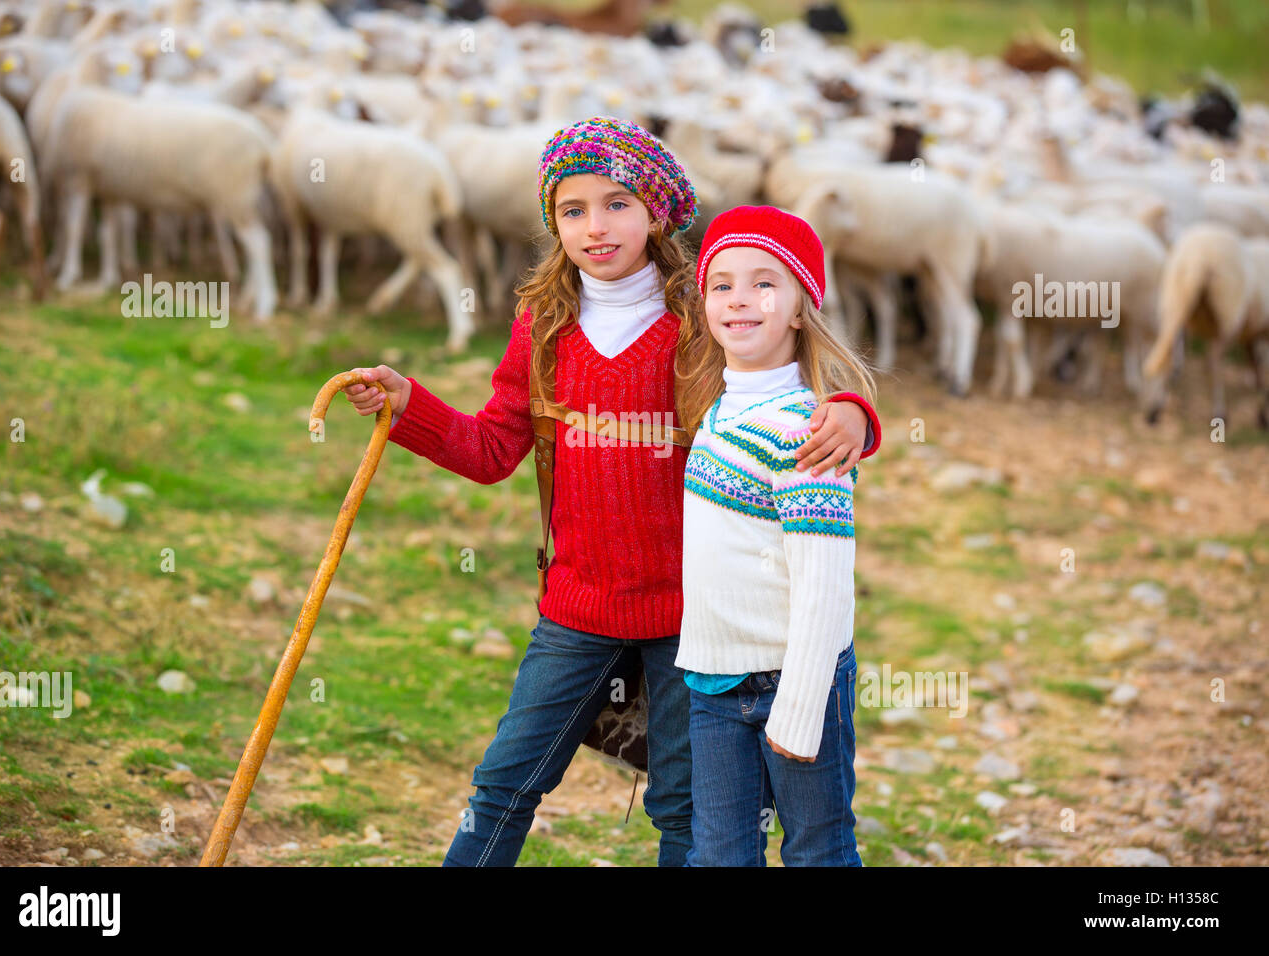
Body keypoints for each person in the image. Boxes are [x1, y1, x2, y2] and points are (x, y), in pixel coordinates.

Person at [341, 118, 881, 866]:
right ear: (552, 222)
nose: (596, 227)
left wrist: (855, 411)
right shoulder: (544, 325)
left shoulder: (701, 317)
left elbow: (789, 378)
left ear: (657, 212)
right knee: (505, 780)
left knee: (687, 809)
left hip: (689, 616)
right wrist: (411, 406)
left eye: (618, 203)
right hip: (579, 604)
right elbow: (495, 446)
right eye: (573, 210)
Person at [677, 205, 873, 866]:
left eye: (765, 283)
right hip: (712, 682)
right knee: (719, 856)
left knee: (818, 850)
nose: (740, 299)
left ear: (799, 308)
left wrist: (799, 702)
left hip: (792, 678)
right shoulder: (718, 411)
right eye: (722, 283)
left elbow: (824, 584)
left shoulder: (803, 433)